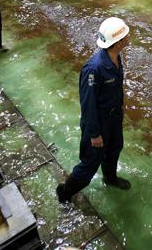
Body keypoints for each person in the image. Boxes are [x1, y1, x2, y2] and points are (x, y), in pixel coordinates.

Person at [57, 17, 132, 203]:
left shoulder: (116, 58)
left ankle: (110, 178)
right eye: (125, 35)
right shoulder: (94, 68)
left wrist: (121, 108)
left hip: (114, 119)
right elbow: (88, 104)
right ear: (118, 42)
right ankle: (64, 193)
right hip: (98, 125)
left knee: (114, 150)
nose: (129, 36)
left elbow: (116, 88)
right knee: (89, 165)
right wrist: (94, 133)